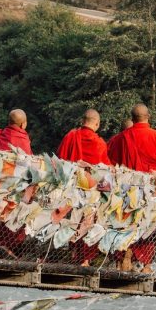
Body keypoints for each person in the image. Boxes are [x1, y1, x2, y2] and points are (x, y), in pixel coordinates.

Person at [108, 104, 156, 273]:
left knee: (124, 222)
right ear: (148, 116)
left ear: (132, 117)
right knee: (150, 223)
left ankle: (122, 258)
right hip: (152, 188)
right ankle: (145, 264)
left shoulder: (120, 138)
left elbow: (110, 161)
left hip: (126, 188)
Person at [56, 109, 110, 266]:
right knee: (88, 221)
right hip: (91, 193)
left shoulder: (70, 136)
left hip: (71, 190)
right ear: (97, 124)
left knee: (73, 220)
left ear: (82, 121)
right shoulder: (99, 143)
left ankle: (73, 253)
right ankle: (85, 259)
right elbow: (104, 170)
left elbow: (60, 159)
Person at [0, 109, 32, 259]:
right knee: (15, 217)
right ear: (23, 124)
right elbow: (28, 162)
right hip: (16, 188)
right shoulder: (23, 138)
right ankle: (9, 248)